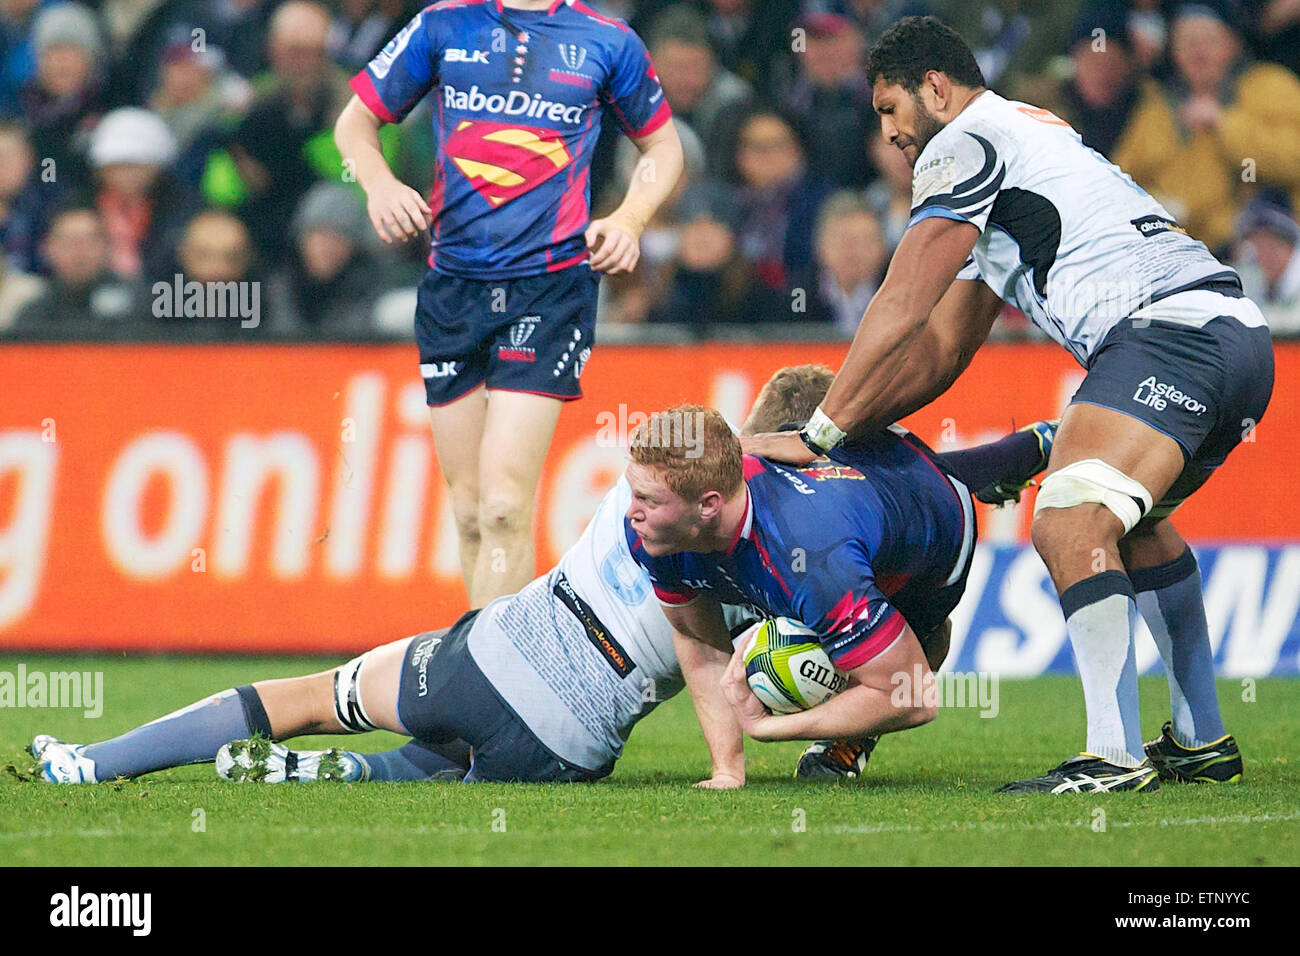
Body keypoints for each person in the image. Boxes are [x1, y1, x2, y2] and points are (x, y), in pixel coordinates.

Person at [32, 365, 1053, 787]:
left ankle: (94, 759)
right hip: (575, 744)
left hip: (502, 652)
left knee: (310, 694)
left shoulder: (667, 480)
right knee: (458, 763)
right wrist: (763, 737)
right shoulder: (773, 548)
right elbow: (880, 624)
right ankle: (346, 776)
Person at [745, 15, 1267, 794]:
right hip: (1235, 340)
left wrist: (821, 433)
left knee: (1069, 519)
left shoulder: (964, 142)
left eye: (891, 109)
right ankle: (1198, 739)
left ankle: (1112, 756)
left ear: (936, 87)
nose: (888, 134)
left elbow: (901, 300)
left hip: (1166, 333)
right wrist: (857, 429)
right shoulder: (1024, 142)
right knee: (1140, 526)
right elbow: (943, 349)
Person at [334, 0, 684, 608]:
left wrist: (629, 219)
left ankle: (491, 687)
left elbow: (664, 149)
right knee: (469, 511)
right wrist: (380, 184)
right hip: (453, 287)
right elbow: (354, 124)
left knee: (502, 505)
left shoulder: (607, 39)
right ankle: (489, 666)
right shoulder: (443, 23)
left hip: (549, 287)